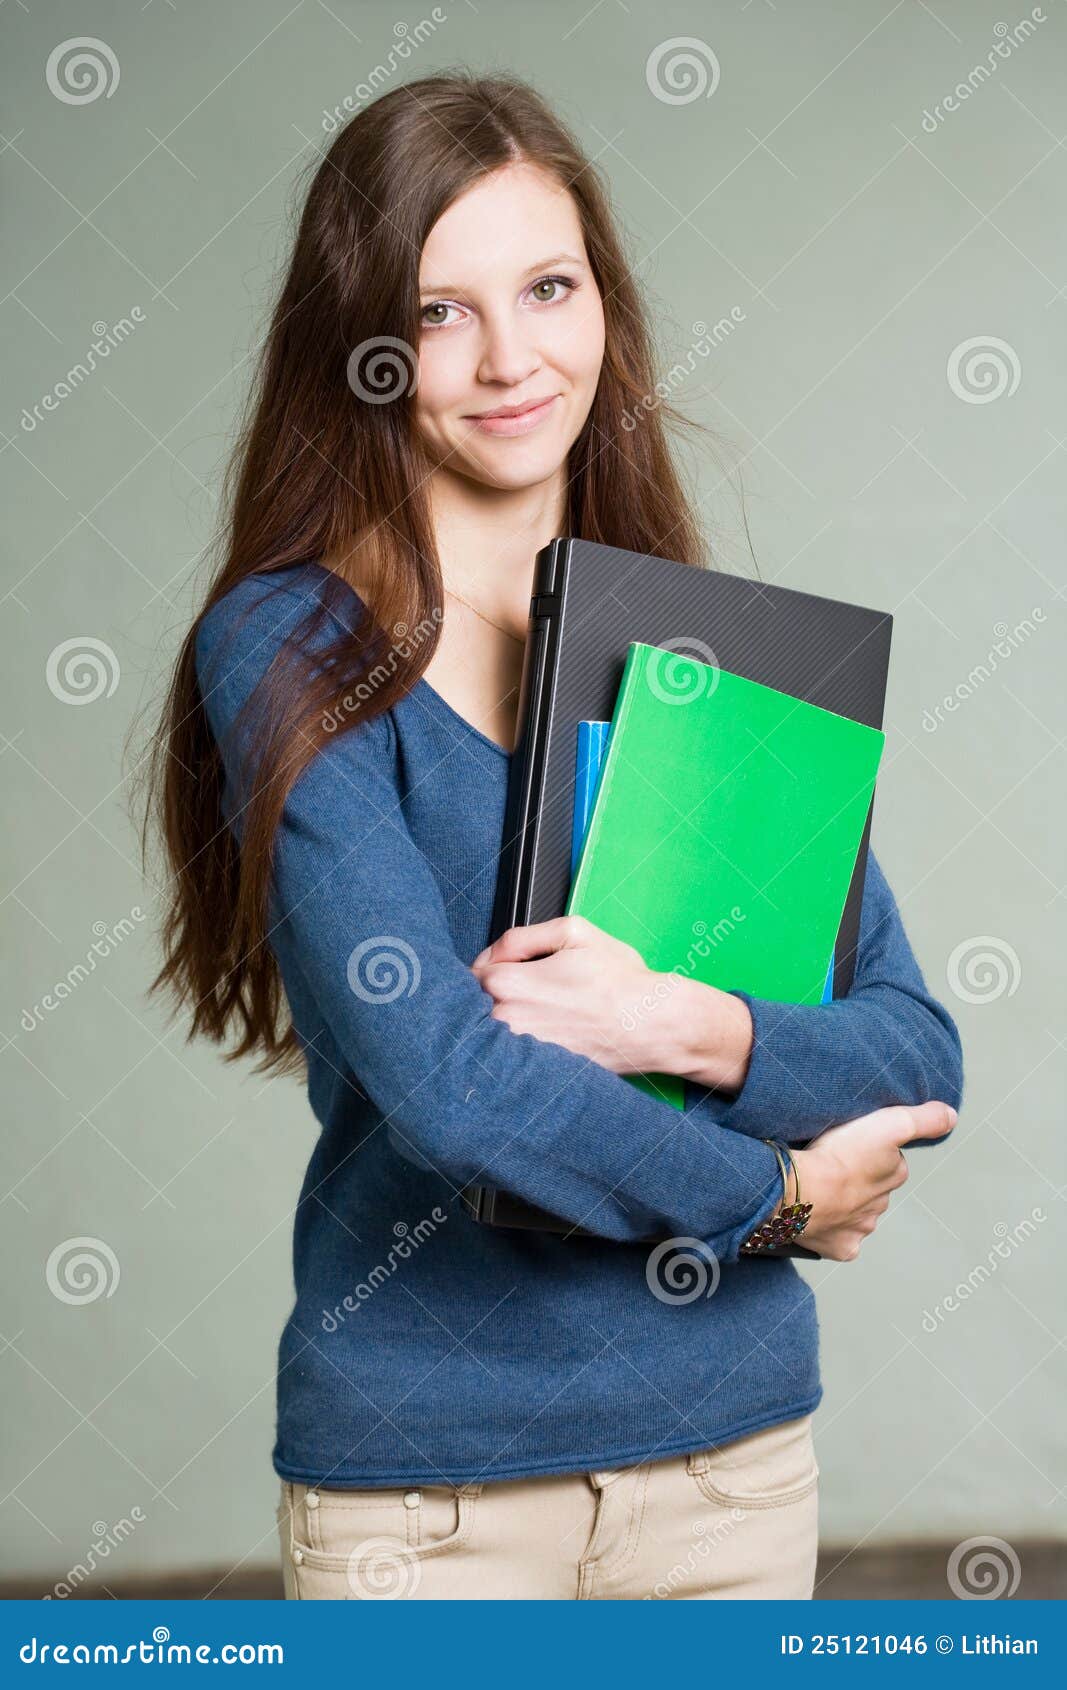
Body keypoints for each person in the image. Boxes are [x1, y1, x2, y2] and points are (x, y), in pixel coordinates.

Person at [143, 71, 963, 1601]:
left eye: (548, 286)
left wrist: (686, 1022)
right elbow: (456, 1091)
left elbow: (914, 1047)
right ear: (365, 348)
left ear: (606, 307)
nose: (513, 357)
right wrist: (774, 1199)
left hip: (729, 1468)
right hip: (431, 1499)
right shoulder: (289, 650)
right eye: (441, 310)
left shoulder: (699, 645)